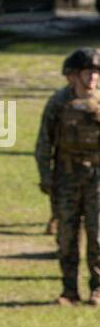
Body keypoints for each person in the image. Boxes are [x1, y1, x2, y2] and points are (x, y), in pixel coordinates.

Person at [35, 47, 100, 306]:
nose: (94, 77)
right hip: (67, 177)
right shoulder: (59, 102)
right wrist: (46, 177)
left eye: (97, 72)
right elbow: (44, 143)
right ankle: (69, 289)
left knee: (98, 235)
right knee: (67, 235)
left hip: (97, 179)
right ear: (74, 75)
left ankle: (97, 288)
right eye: (89, 71)